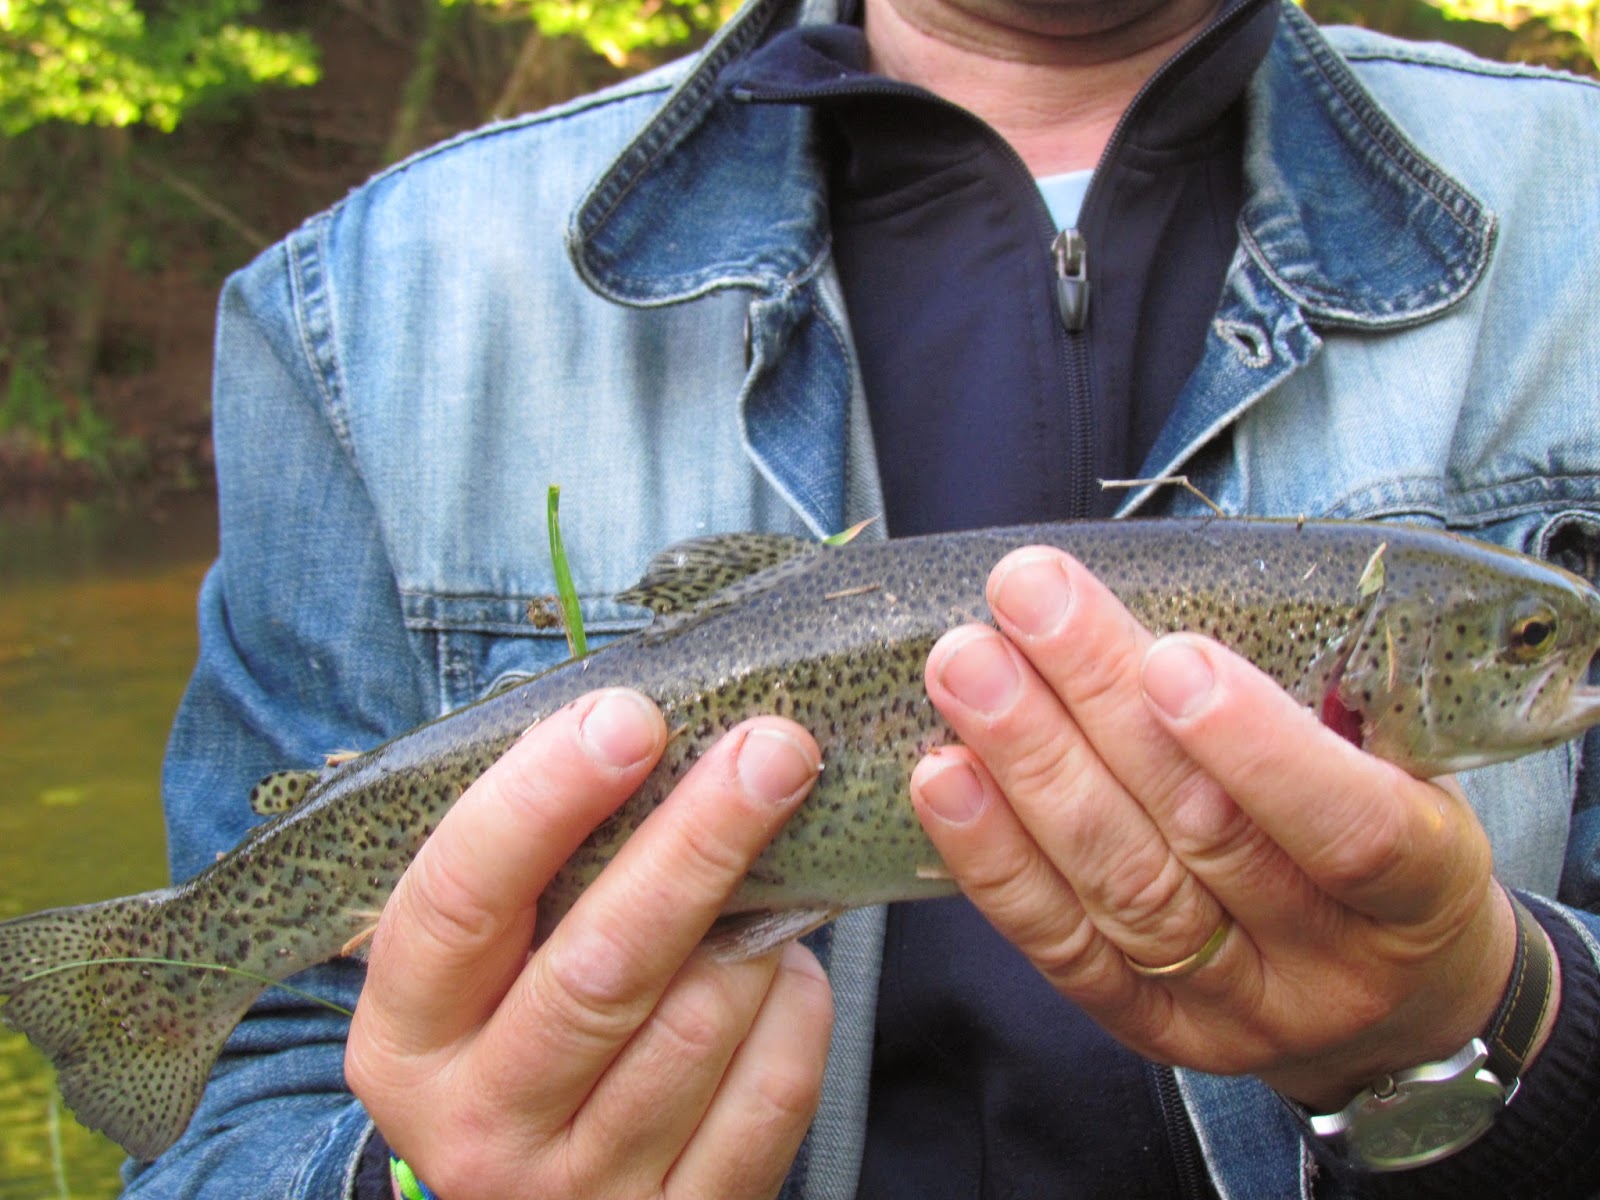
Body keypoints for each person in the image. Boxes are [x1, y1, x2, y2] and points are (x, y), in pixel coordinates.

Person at [120, 0, 1600, 1192]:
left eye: (1530, 632)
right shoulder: (359, 310)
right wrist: (418, 1185)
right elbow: (231, 1129)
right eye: (1528, 638)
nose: (1556, 651)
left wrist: (1502, 1025)